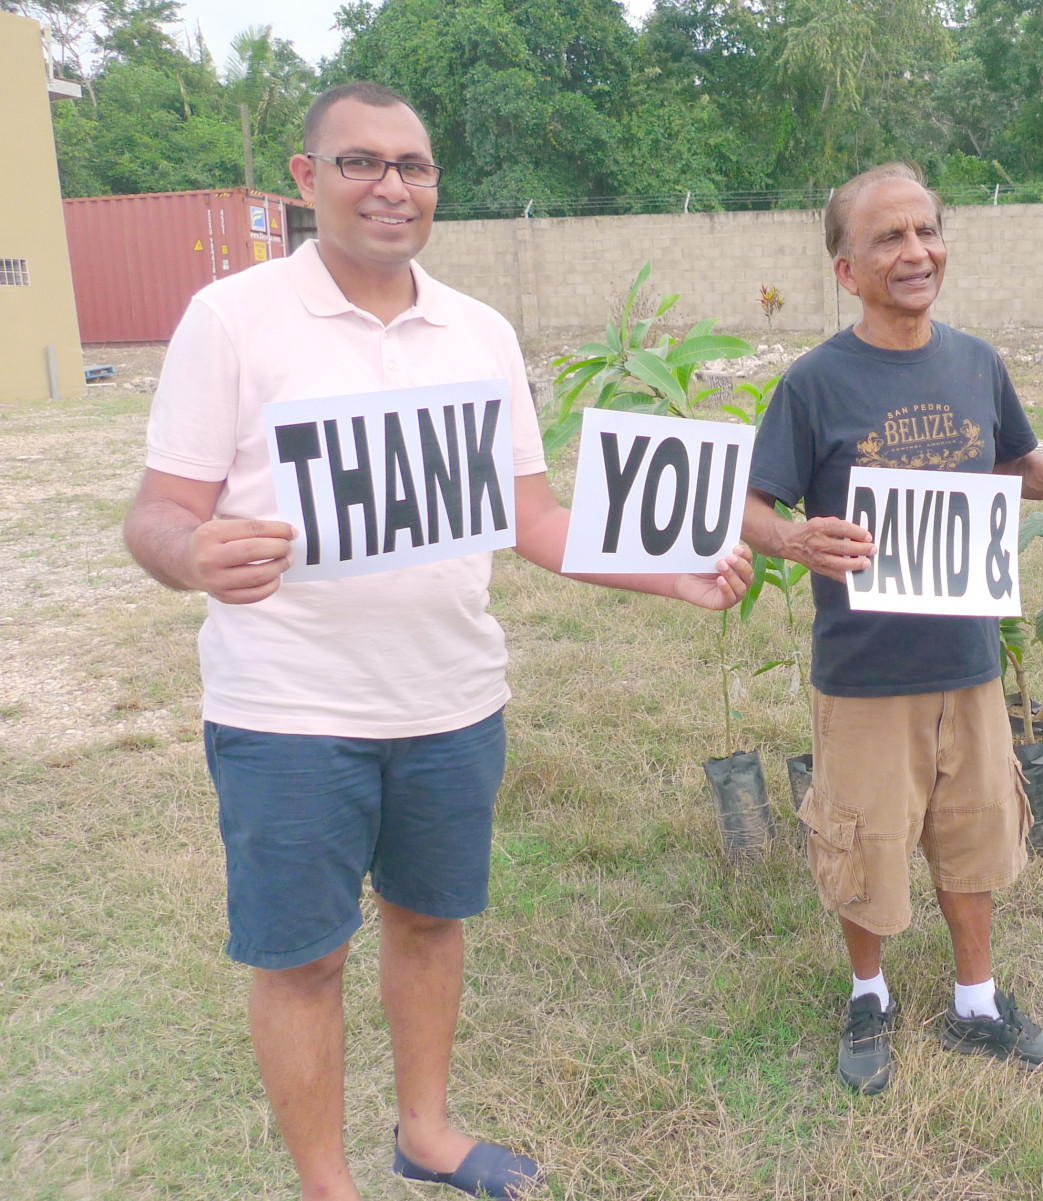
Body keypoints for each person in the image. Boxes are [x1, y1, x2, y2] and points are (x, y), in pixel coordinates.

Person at [122, 82, 751, 1201]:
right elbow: (157, 512)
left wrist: (670, 574)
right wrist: (191, 553)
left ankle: (427, 1132)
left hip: (453, 699)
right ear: (307, 181)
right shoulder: (233, 319)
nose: (391, 187)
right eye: (360, 163)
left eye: (412, 166)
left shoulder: (480, 332)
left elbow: (534, 517)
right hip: (288, 712)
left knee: (428, 920)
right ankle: (332, 1186)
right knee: (304, 956)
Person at [743, 162, 1043, 1096]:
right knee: (866, 837)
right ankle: (869, 992)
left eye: (926, 230)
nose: (915, 251)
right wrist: (794, 537)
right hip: (866, 667)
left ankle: (975, 1003)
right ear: (846, 271)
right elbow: (751, 504)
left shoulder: (974, 362)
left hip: (967, 655)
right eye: (888, 237)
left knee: (974, 829)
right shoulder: (813, 384)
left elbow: (1019, 462)